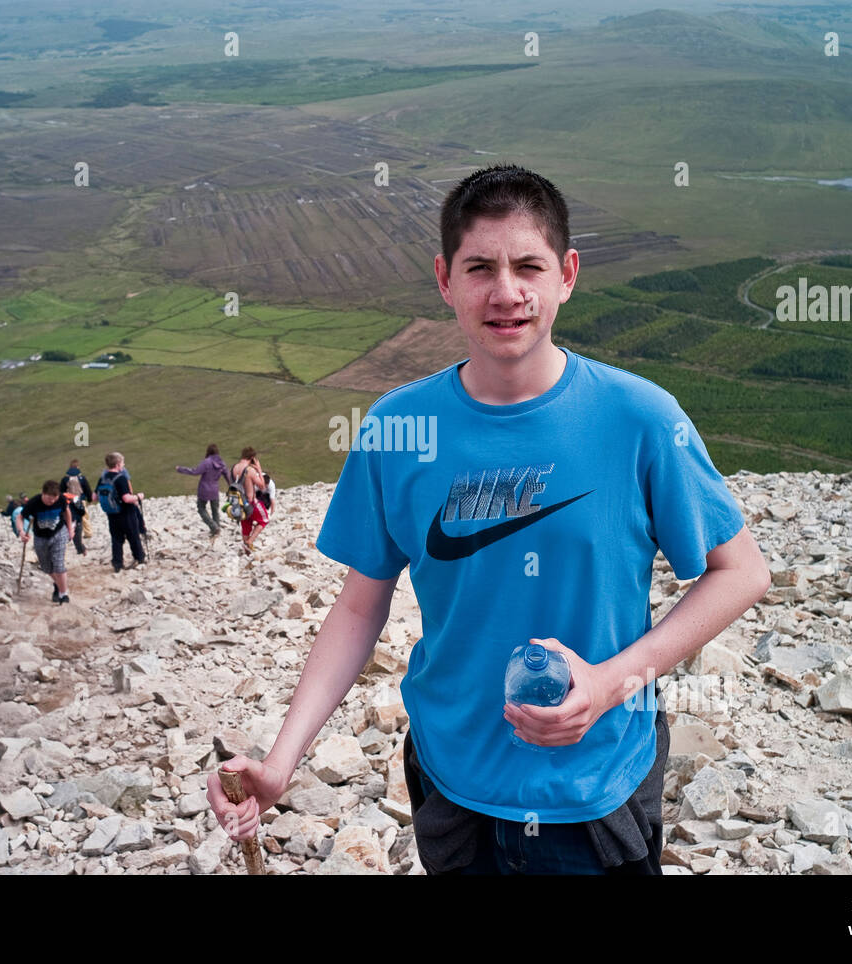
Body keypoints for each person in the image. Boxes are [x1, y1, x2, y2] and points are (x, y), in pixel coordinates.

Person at [207, 164, 771, 876]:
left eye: (528, 265)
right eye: (481, 268)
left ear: (567, 273)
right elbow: (359, 607)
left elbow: (742, 571)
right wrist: (280, 762)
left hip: (592, 791)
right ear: (446, 280)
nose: (507, 292)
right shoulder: (397, 428)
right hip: (451, 786)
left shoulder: (641, 419)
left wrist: (611, 684)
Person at [19, 480, 74, 604]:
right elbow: (20, 517)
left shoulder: (61, 499)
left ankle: (63, 594)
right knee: (47, 567)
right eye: (50, 498)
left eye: (55, 498)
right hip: (41, 537)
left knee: (59, 565)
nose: (52, 501)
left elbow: (67, 512)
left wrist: (70, 529)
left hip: (59, 533)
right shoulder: (34, 503)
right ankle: (58, 585)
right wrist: (22, 532)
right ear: (43, 493)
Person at [96, 452, 145, 572]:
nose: (123, 464)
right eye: (123, 462)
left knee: (116, 539)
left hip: (111, 514)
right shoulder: (121, 478)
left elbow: (94, 496)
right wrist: (138, 497)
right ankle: (139, 558)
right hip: (126, 513)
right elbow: (126, 498)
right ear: (118, 464)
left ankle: (117, 564)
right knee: (133, 536)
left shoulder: (103, 477)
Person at [176, 444, 230, 539]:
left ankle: (214, 527)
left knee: (201, 508)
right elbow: (227, 476)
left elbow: (195, 472)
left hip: (204, 489)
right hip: (215, 489)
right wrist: (232, 486)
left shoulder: (206, 462)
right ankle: (216, 530)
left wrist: (180, 469)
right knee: (215, 510)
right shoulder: (222, 463)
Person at [231, 447, 269, 555]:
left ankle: (246, 549)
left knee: (246, 524)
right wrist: (259, 470)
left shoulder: (234, 468)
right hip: (250, 502)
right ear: (252, 458)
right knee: (264, 520)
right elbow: (262, 486)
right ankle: (249, 542)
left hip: (238, 503)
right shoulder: (250, 470)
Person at [63, 476, 88, 555]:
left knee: (76, 540)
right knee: (77, 540)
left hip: (68, 522)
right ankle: (82, 550)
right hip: (76, 521)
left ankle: (81, 550)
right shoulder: (75, 498)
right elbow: (82, 511)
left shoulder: (62, 497)